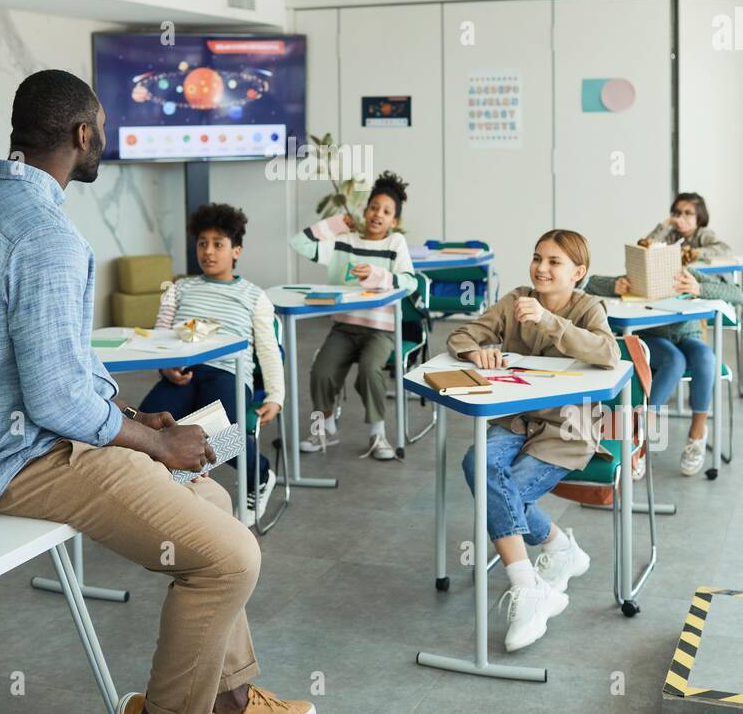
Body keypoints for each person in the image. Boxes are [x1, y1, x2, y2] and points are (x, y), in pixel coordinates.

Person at [0, 69, 314, 714]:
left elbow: (61, 364)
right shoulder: (45, 234)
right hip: (28, 461)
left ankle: (232, 700)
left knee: (211, 499)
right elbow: (52, 398)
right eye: (101, 126)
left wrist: (141, 421)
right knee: (232, 556)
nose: (104, 137)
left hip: (38, 439)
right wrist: (153, 443)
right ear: (81, 135)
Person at [447, 229, 620, 653]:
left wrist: (547, 320)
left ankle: (537, 576)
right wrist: (475, 354)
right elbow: (460, 337)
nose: (541, 268)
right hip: (517, 420)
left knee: (503, 494)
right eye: (537, 258)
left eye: (554, 262)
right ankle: (545, 566)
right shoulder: (514, 300)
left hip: (566, 429)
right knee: (477, 463)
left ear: (578, 272)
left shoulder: (588, 307)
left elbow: (608, 353)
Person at [139, 202, 284, 526]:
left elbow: (269, 350)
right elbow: (159, 338)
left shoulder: (253, 296)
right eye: (202, 243)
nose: (208, 251)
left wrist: (275, 396)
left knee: (222, 434)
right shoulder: (179, 289)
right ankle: (180, 489)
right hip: (183, 373)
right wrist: (166, 367)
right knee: (146, 428)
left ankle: (260, 474)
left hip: (228, 374)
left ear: (236, 251)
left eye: (218, 244)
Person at [290, 170, 416, 460]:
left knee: (370, 369)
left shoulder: (394, 244)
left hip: (380, 331)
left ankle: (378, 434)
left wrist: (378, 274)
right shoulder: (344, 241)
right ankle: (324, 429)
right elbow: (299, 243)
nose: (377, 215)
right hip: (344, 328)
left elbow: (410, 283)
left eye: (386, 212)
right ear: (364, 209)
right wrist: (334, 224)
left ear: (394, 221)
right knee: (321, 371)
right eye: (373, 207)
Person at [585, 264, 743, 476]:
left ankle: (697, 433)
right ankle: (640, 436)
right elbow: (591, 282)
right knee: (675, 361)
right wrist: (616, 286)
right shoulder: (641, 275)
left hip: (688, 338)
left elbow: (737, 293)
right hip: (653, 339)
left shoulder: (688, 274)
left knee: (706, 357)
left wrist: (699, 289)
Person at [643, 192, 731, 263]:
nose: (680, 218)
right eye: (677, 213)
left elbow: (726, 249)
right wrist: (666, 223)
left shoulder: (703, 233)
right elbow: (646, 247)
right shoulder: (673, 235)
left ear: (699, 216)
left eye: (688, 213)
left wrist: (695, 252)